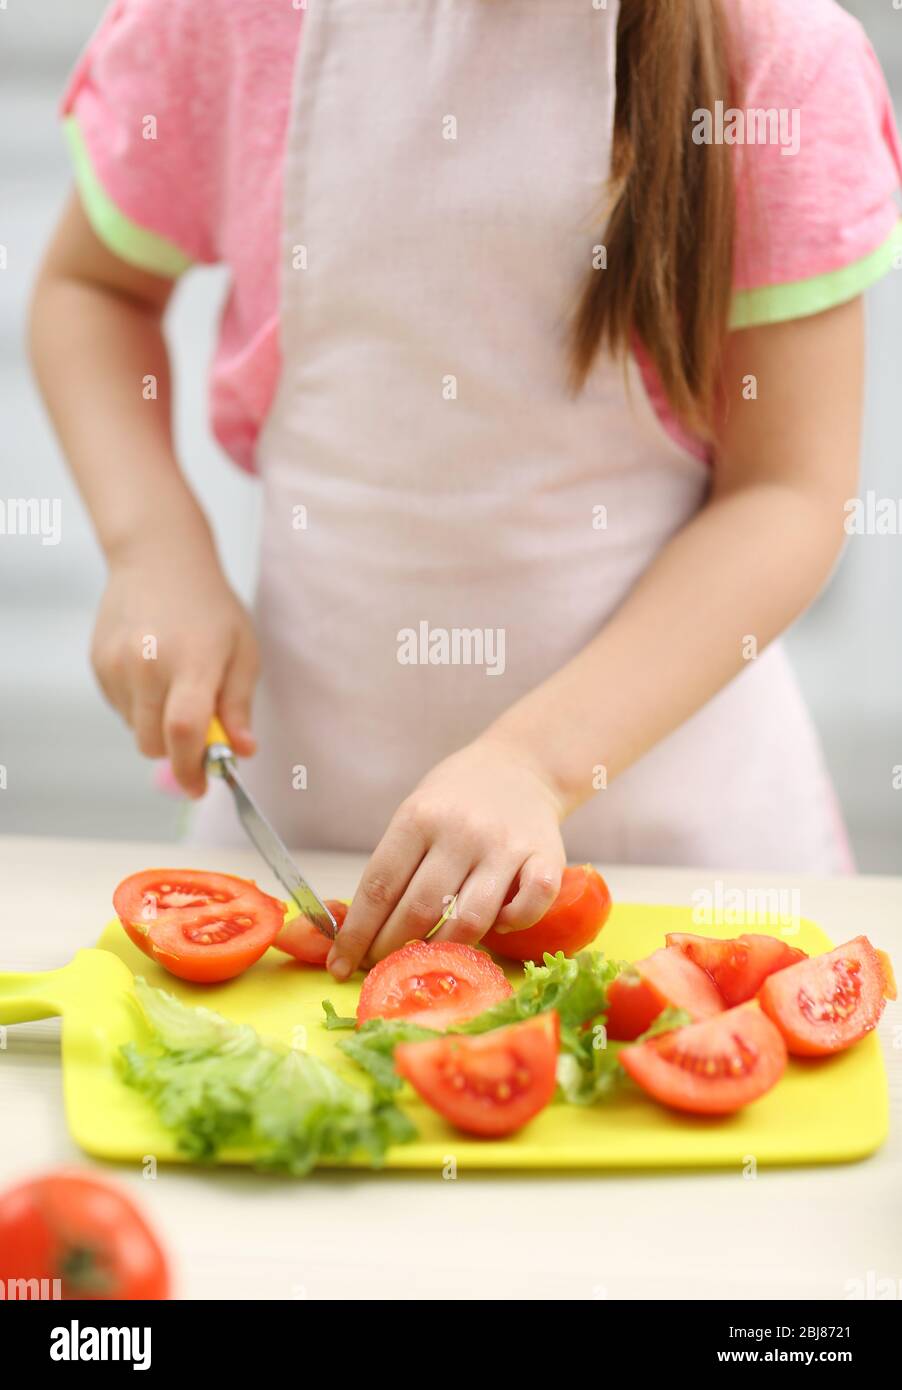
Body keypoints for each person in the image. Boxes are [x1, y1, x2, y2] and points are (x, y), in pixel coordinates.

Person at [30, 0, 902, 979]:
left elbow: (787, 490)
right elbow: (90, 291)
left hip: (676, 865)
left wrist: (534, 763)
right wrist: (153, 549)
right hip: (305, 848)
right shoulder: (226, 19)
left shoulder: (775, 58)